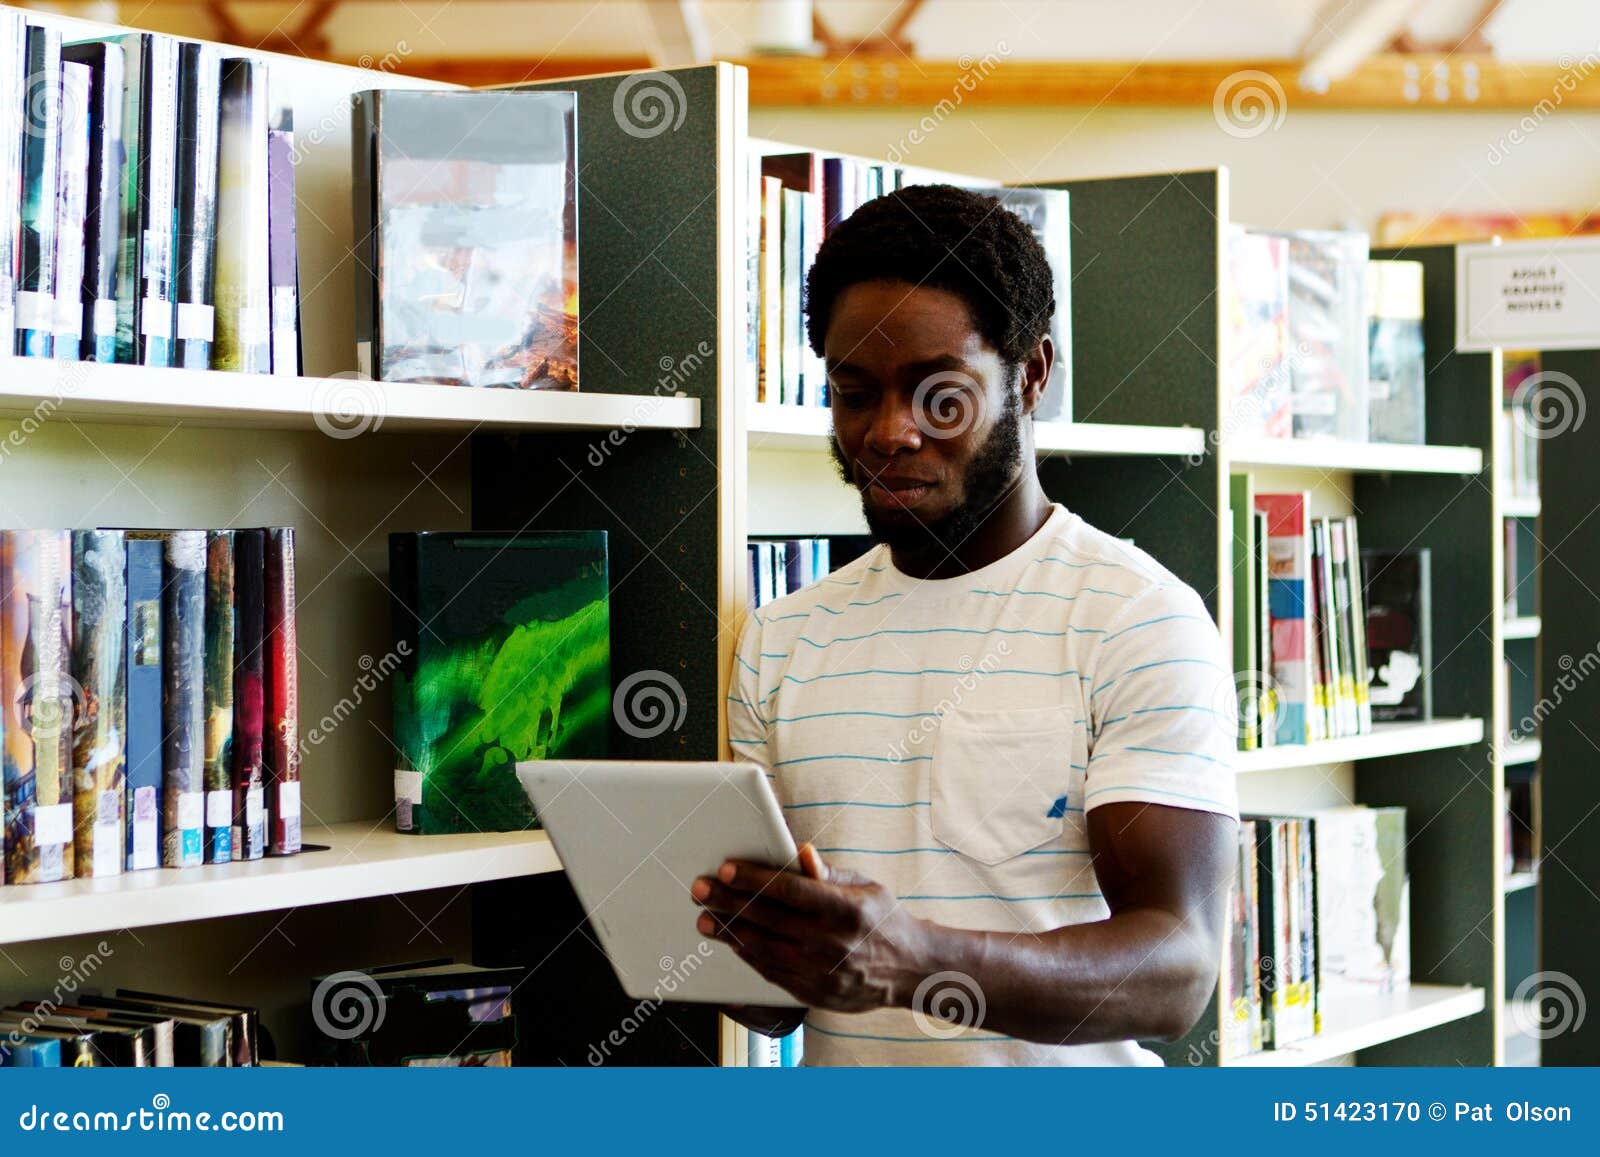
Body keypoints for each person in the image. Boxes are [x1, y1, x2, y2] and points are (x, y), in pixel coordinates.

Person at [695, 184, 1238, 1066]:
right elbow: (773, 1009)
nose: (889, 432)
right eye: (854, 392)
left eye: (937, 395)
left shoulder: (1136, 617)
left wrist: (915, 962)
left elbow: (1177, 970)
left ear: (1030, 375)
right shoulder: (783, 639)